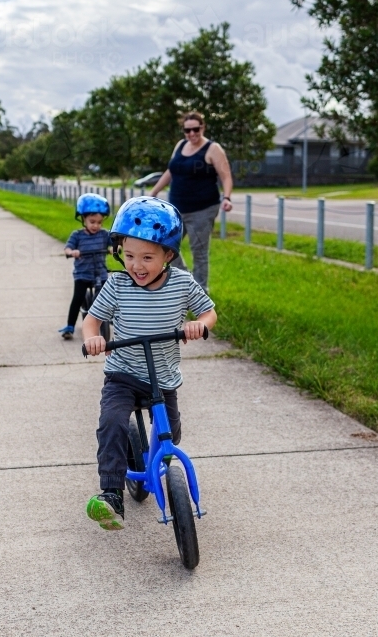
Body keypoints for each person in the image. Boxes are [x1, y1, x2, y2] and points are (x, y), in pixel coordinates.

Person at [81, 196, 217, 530]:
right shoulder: (117, 284)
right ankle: (111, 494)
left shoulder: (183, 284)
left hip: (163, 377)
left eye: (147, 257)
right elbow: (92, 321)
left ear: (169, 255)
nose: (136, 265)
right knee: (111, 422)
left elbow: (208, 312)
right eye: (128, 256)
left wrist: (199, 325)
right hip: (123, 374)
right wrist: (92, 337)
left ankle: (158, 463)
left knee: (171, 433)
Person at [149, 111, 234, 292]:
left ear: (202, 127)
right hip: (176, 209)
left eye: (196, 129)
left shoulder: (213, 149)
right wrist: (154, 191)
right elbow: (171, 171)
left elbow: (226, 176)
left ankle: (200, 292)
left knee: (199, 252)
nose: (192, 134)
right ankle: (187, 281)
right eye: (188, 130)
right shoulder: (180, 145)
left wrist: (226, 197)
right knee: (165, 245)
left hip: (203, 209)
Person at [60, 193, 113, 340]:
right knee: (77, 298)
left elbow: (114, 244)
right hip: (83, 274)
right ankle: (70, 326)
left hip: (100, 273)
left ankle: (111, 319)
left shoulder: (104, 234)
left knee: (109, 297)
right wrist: (72, 252)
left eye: (99, 222)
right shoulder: (77, 235)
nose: (96, 225)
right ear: (83, 219)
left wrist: (114, 248)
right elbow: (67, 249)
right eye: (92, 221)